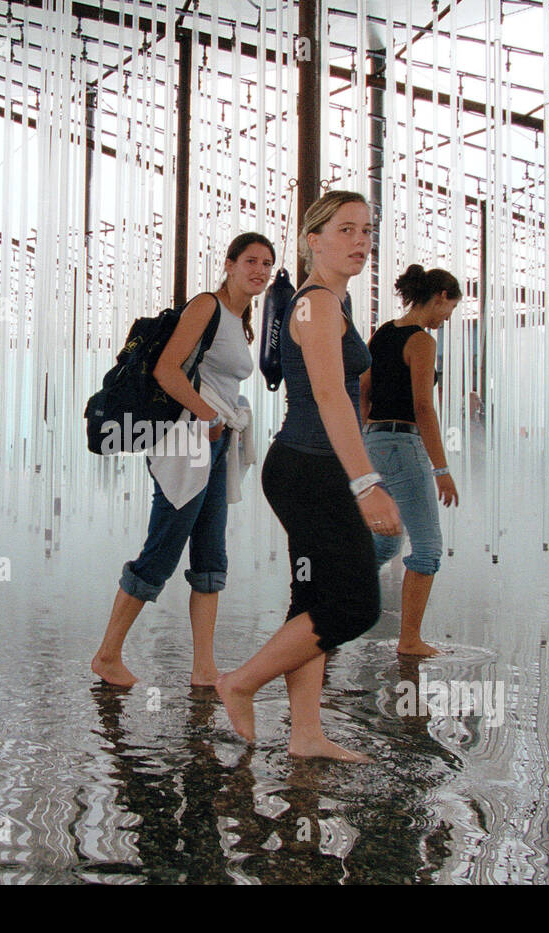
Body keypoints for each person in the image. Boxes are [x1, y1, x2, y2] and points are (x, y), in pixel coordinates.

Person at [216, 192, 402, 762]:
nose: (360, 241)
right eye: (345, 230)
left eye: (366, 231)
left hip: (308, 467)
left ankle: (306, 734)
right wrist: (366, 483)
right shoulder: (317, 305)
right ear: (312, 240)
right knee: (352, 607)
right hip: (313, 470)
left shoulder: (325, 304)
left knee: (312, 599)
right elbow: (328, 397)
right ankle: (241, 682)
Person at [91, 232, 276, 689]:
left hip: (216, 441)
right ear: (229, 264)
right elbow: (165, 369)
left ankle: (204, 668)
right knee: (164, 547)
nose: (260, 271)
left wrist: (222, 421)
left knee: (212, 555)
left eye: (267, 264)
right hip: (189, 440)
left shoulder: (240, 318)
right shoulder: (206, 306)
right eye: (251, 261)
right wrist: (209, 413)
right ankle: (107, 655)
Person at [361, 264, 462, 657]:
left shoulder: (385, 331)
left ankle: (332, 590)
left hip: (375, 441)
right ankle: (410, 640)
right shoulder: (421, 341)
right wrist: (441, 469)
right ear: (440, 295)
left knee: (386, 542)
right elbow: (423, 406)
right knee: (427, 548)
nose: (447, 318)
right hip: (404, 443)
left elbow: (362, 389)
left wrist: (366, 436)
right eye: (450, 309)